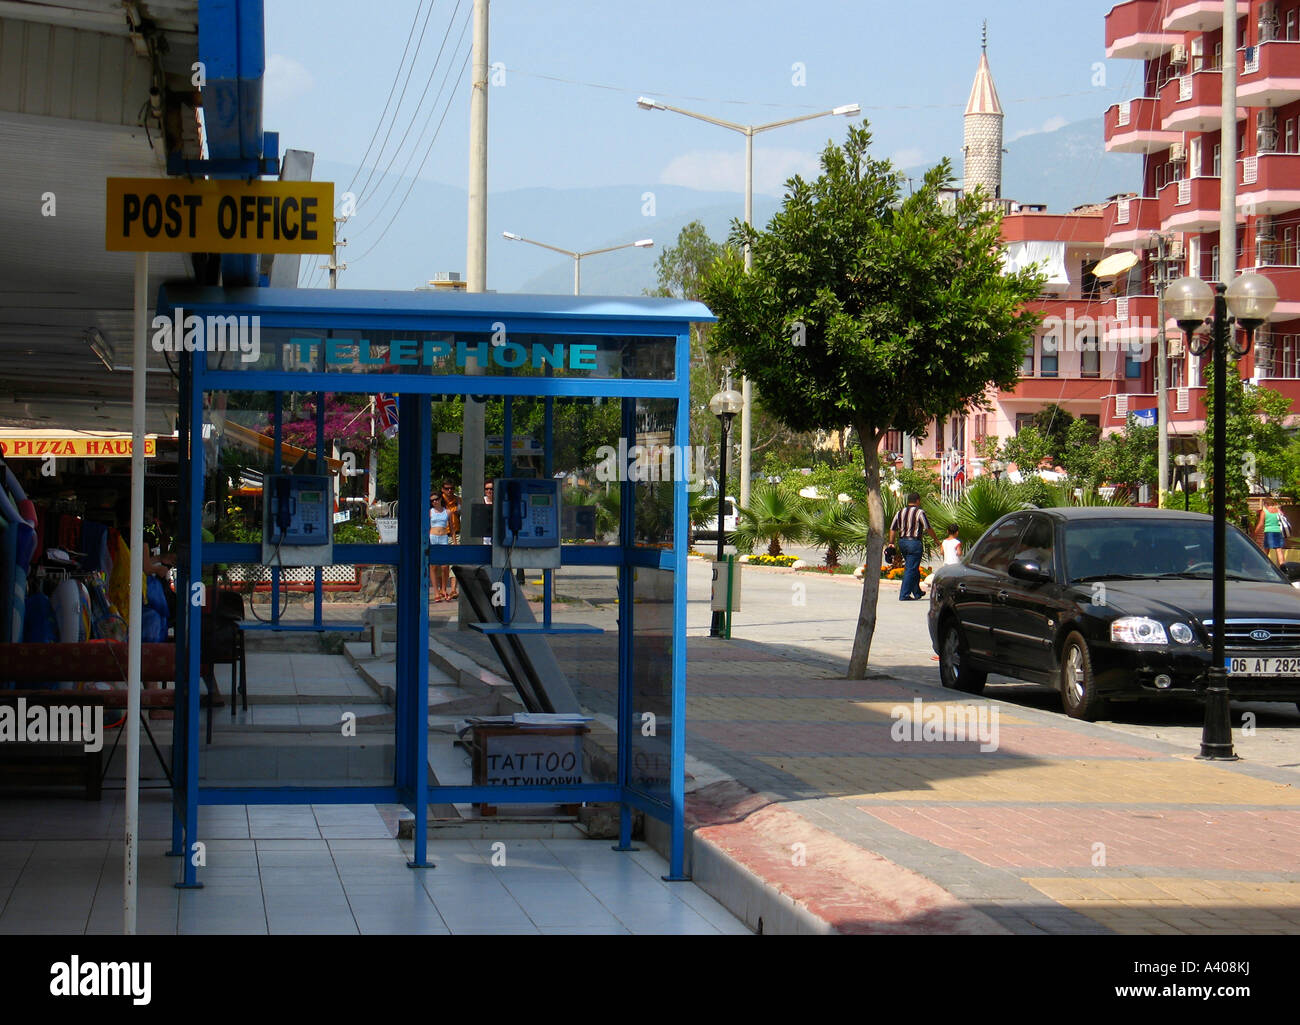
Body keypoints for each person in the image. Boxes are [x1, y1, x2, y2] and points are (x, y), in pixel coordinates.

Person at [888, 493, 938, 601]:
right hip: (914, 543)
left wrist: (891, 542)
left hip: (902, 542)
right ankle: (904, 595)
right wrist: (936, 540)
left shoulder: (900, 512)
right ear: (918, 501)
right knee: (911, 568)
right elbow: (928, 527)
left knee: (913, 566)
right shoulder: (919, 512)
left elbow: (892, 528)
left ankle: (917, 592)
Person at [440, 478, 461, 599]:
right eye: (447, 488)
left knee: (455, 562)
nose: (449, 491)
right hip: (441, 534)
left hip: (455, 533)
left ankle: (453, 589)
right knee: (443, 564)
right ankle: (442, 589)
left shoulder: (457, 501)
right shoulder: (439, 501)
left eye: (452, 488)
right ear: (442, 489)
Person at [429, 491, 452, 601]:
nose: (434, 502)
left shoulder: (447, 512)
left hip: (443, 537)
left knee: (444, 566)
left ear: (440, 499)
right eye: (432, 500)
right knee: (433, 566)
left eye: (436, 499)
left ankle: (443, 589)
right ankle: (436, 592)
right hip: (433, 537)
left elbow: (451, 528)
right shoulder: (430, 512)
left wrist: (455, 542)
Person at [1256, 498, 1288, 566]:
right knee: (1279, 550)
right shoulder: (1278, 510)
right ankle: (1283, 568)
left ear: (1265, 504)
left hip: (1269, 532)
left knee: (1266, 549)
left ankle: (1263, 566)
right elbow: (1283, 519)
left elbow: (1261, 523)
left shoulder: (1264, 511)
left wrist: (1256, 531)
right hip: (1279, 531)